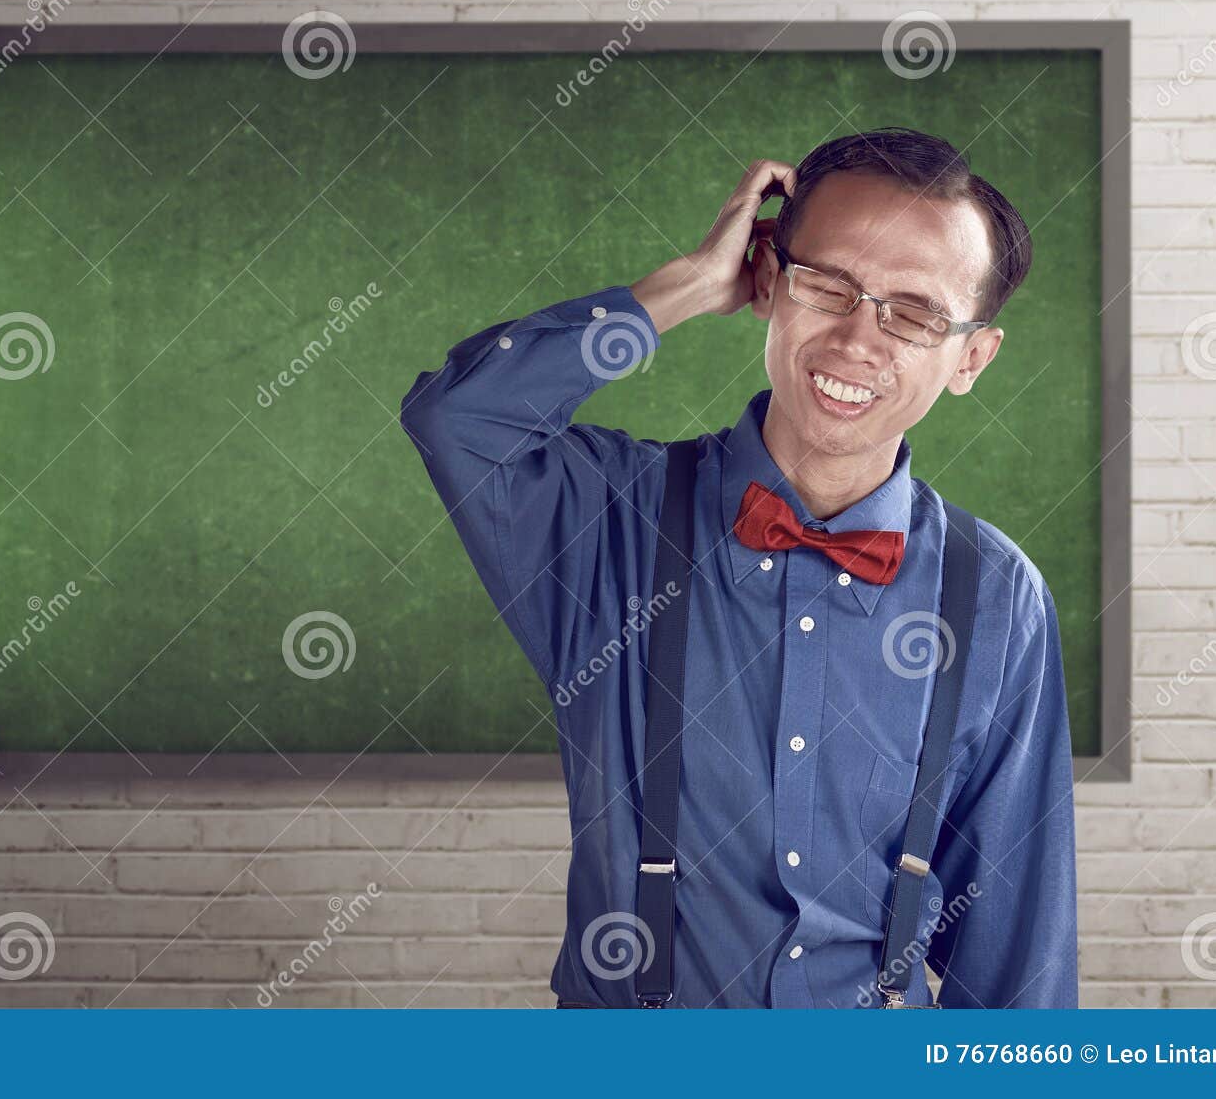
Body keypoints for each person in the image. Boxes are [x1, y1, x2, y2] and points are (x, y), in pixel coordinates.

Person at [399, 127, 1078, 1008]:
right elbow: (459, 419)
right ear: (768, 281)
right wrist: (682, 286)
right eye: (827, 285)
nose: (856, 340)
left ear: (971, 359)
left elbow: (1017, 958)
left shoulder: (996, 596)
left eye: (912, 314)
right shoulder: (610, 518)